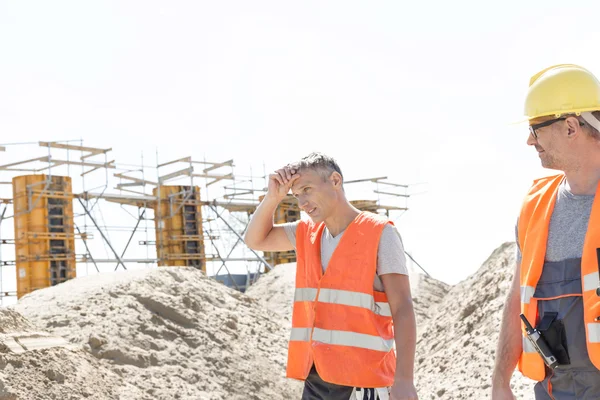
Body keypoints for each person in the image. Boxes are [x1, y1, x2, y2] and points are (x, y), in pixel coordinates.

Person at [244, 152, 418, 400]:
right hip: (316, 379)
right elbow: (255, 239)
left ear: (335, 181)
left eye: (307, 189)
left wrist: (404, 380)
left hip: (364, 382)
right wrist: (273, 196)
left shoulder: (380, 233)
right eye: (296, 195)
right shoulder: (306, 232)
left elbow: (403, 307)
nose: (302, 202)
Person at [492, 64, 600, 399]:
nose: (529, 140)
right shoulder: (535, 206)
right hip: (555, 390)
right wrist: (500, 381)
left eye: (536, 128)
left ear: (570, 126)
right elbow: (517, 299)